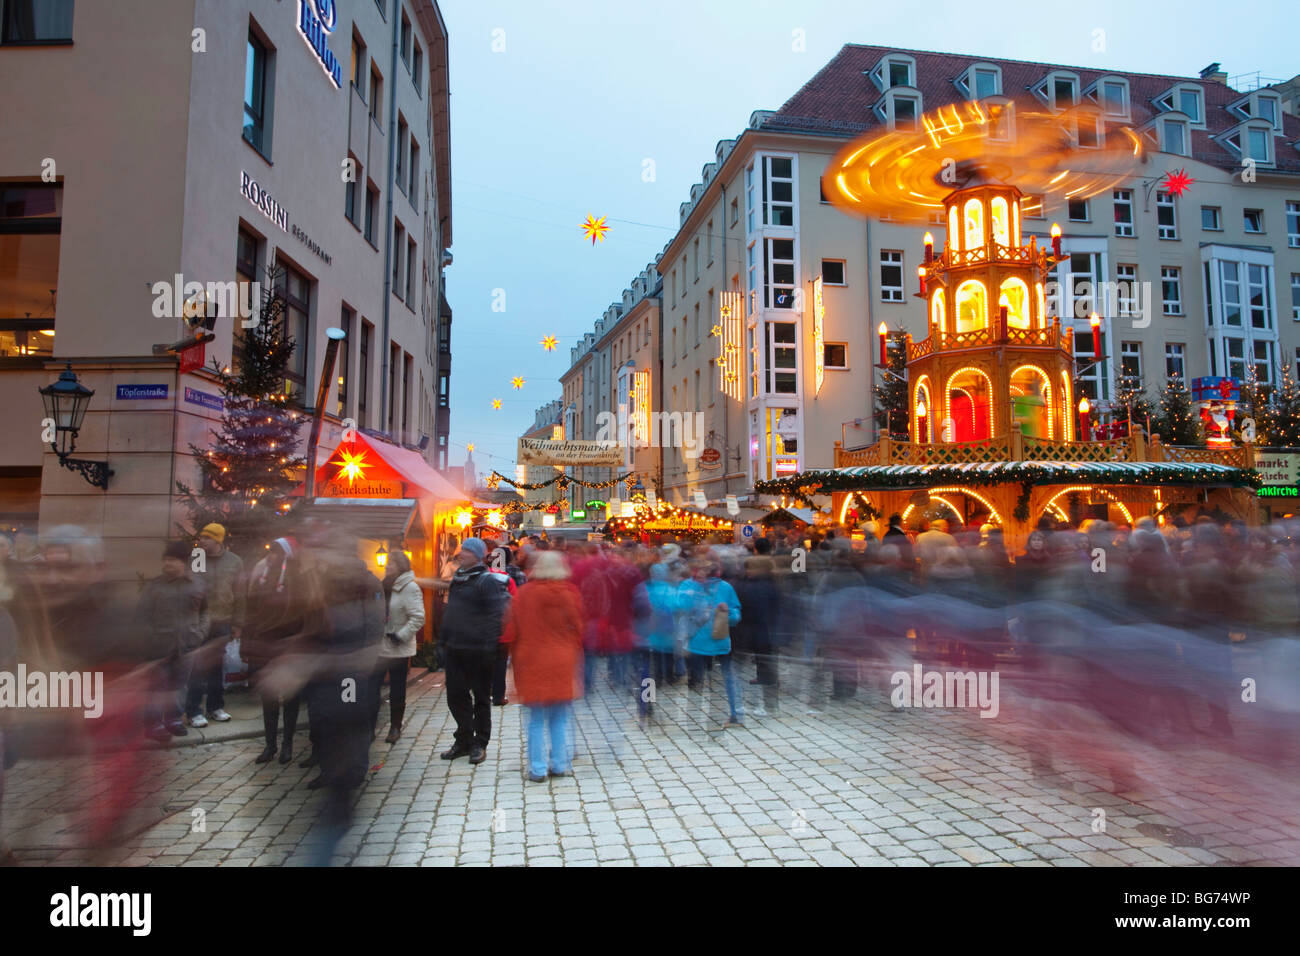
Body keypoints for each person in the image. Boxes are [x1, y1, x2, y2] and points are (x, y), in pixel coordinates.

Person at [501, 551, 583, 781]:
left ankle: (537, 769)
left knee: (535, 720)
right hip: (561, 659)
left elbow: (511, 629)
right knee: (559, 718)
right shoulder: (569, 593)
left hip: (531, 659)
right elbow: (578, 628)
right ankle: (560, 764)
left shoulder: (525, 594)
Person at [434, 537, 509, 764]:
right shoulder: (458, 578)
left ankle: (480, 742)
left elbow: (496, 615)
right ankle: (464, 738)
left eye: (466, 551)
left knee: (481, 699)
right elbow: (452, 611)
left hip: (478, 649)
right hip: (456, 647)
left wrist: (489, 646)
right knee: (455, 696)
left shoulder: (486, 581)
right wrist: (442, 640)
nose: (461, 554)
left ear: (478, 555)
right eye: (462, 550)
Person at [137, 540, 209, 740]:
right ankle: (153, 724)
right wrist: (150, 638)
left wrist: (200, 633)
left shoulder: (198, 585)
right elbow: (142, 616)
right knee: (157, 687)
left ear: (184, 562)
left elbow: (205, 612)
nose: (167, 564)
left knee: (179, 686)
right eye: (166, 560)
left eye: (173, 560)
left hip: (187, 646)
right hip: (159, 647)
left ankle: (174, 720)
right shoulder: (155, 586)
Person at [245, 537, 306, 764]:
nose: (270, 556)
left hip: (288, 646)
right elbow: (251, 610)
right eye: (269, 552)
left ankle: (287, 743)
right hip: (265, 645)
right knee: (268, 697)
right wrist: (250, 641)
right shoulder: (261, 577)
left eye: (276, 552)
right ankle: (270, 744)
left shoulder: (297, 580)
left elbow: (302, 614)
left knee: (290, 697)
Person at [185, 523, 245, 728]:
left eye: (207, 538)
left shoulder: (234, 561)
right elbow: (191, 588)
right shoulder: (198, 558)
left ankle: (215, 706)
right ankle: (193, 710)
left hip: (223, 620)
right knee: (197, 667)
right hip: (201, 622)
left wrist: (238, 623)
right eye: (201, 537)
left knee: (216, 667)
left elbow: (240, 594)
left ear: (218, 540)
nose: (202, 541)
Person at [678, 556, 743, 727]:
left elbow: (736, 617)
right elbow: (679, 607)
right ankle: (693, 719)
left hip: (719, 641)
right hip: (697, 642)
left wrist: (727, 612)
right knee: (697, 681)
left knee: (724, 679)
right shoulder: (688, 586)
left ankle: (732, 715)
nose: (706, 580)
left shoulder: (725, 588)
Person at [373, 550, 424, 744]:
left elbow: (418, 617)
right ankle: (370, 725)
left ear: (400, 566)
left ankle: (395, 726)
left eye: (391, 563)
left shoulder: (410, 588)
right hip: (380, 645)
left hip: (398, 647)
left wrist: (400, 635)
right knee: (373, 686)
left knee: (397, 688)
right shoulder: (383, 585)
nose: (386, 566)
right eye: (387, 563)